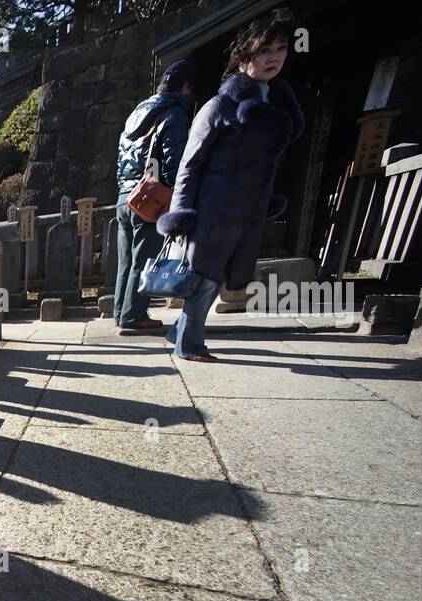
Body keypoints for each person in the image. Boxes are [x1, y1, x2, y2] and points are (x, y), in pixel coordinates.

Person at [157, 7, 305, 361]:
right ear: (244, 56)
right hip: (213, 208)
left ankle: (179, 331)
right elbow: (189, 165)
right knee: (205, 276)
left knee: (219, 277)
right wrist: (181, 213)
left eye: (280, 48)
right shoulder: (219, 106)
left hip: (248, 210)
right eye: (264, 50)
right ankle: (189, 346)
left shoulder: (279, 109)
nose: (273, 57)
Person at [113, 58, 197, 333]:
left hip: (126, 195)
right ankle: (133, 315)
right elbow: (176, 161)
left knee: (126, 261)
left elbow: (122, 158)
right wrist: (176, 197)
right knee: (144, 258)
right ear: (185, 86)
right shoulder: (174, 114)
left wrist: (125, 187)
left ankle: (121, 312)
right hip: (149, 198)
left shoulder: (137, 113)